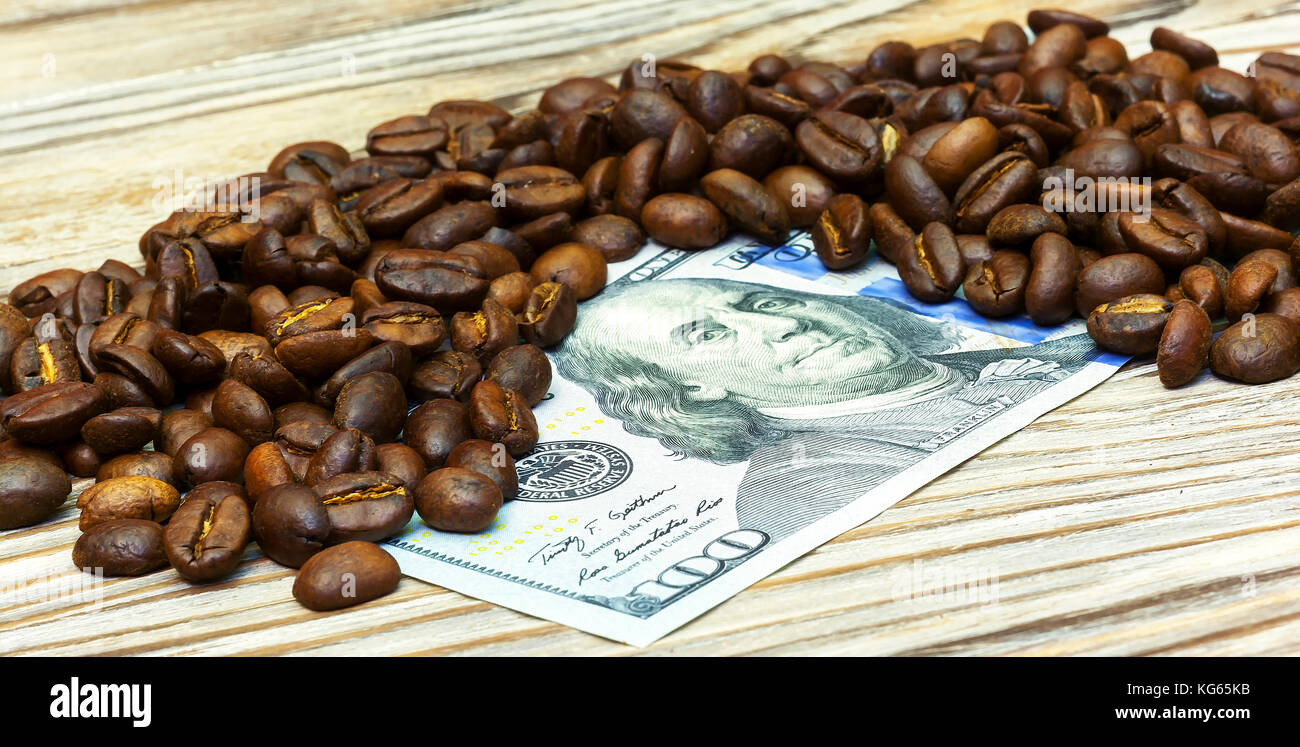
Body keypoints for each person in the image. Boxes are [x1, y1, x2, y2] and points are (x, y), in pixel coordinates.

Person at [554, 277, 1102, 541]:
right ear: (691, 389)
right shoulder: (805, 480)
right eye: (710, 335)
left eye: (765, 303)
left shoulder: (1075, 348)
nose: (785, 325)